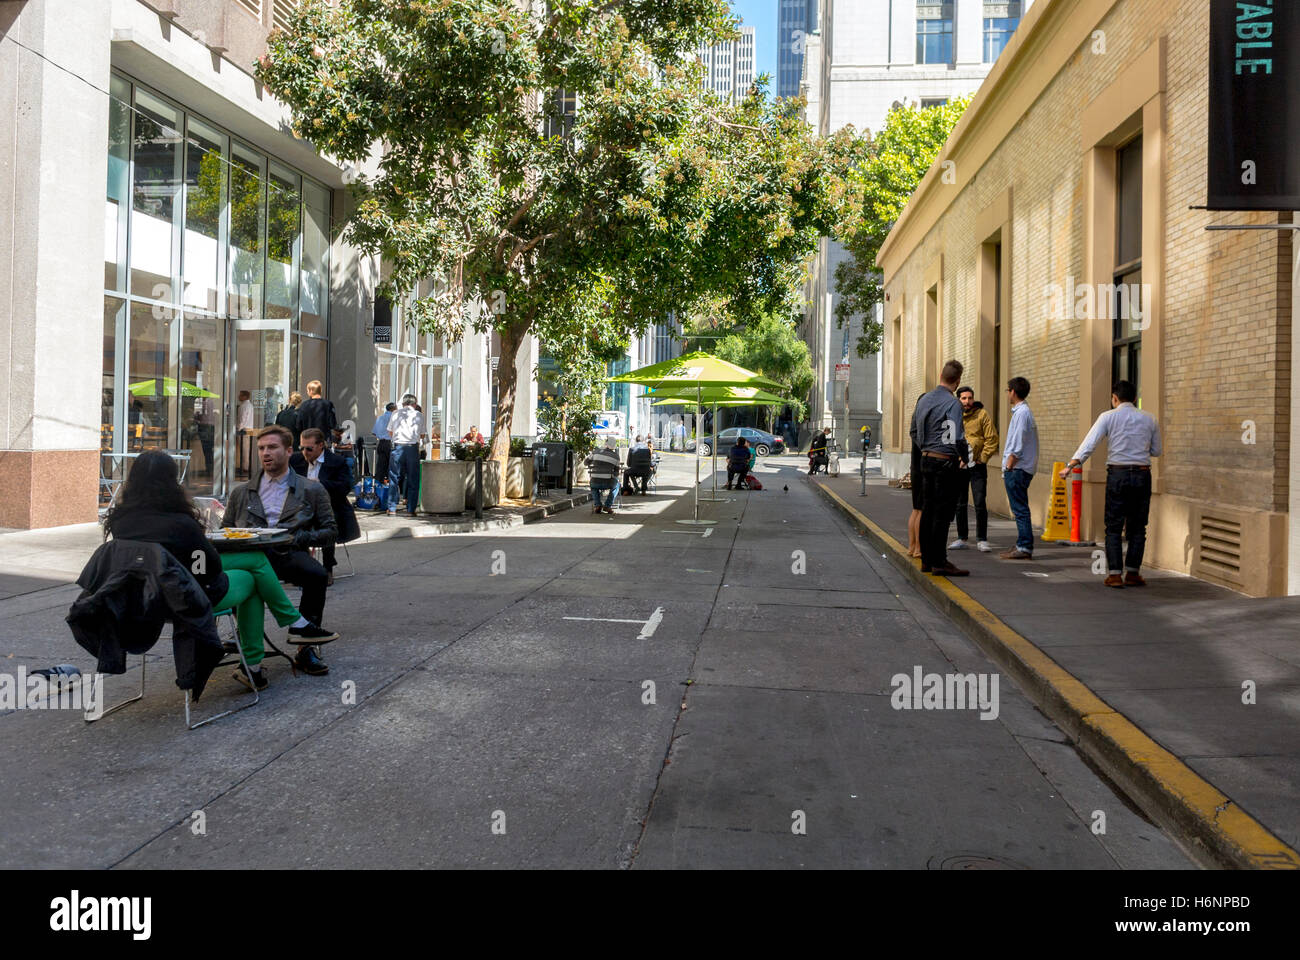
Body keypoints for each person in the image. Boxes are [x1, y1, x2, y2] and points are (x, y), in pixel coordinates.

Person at [103, 449, 337, 692]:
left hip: (142, 601)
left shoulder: (119, 521)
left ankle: (264, 658)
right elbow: (204, 567)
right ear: (171, 482)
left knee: (253, 565)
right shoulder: (180, 523)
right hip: (185, 599)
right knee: (253, 576)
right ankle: (264, 655)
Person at [221, 424, 339, 677]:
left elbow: (330, 532)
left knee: (316, 574)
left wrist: (296, 538)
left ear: (288, 451)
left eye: (272, 447)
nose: (266, 453)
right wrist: (239, 539)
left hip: (287, 552)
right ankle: (246, 638)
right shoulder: (241, 492)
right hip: (249, 556)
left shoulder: (312, 489)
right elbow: (225, 529)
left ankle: (305, 645)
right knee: (243, 575)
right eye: (261, 448)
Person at [1060, 379, 1162, 587]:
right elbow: (1156, 451)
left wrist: (1070, 466)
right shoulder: (1150, 419)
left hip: (1118, 474)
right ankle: (1133, 572)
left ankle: (1115, 573)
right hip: (1142, 475)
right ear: (1135, 398)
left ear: (1114, 399)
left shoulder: (1107, 417)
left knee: (1114, 526)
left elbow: (1089, 444)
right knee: (1138, 527)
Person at [911, 360, 971, 577]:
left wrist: (926, 448)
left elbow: (914, 431)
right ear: (957, 381)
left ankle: (927, 560)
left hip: (926, 460)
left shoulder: (924, 399)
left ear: (940, 375)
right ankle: (939, 561)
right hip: (945, 461)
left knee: (927, 510)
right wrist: (964, 457)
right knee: (943, 513)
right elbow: (956, 435)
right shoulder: (953, 403)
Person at [291, 427, 361, 586]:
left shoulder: (336, 461)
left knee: (327, 524)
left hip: (330, 505)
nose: (305, 452)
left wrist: (321, 484)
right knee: (290, 523)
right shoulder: (295, 460)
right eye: (302, 448)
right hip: (301, 506)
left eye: (309, 448)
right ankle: (301, 565)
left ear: (321, 445)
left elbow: (345, 486)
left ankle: (328, 568)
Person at [949, 387, 1000, 553]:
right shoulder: (954, 416)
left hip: (977, 466)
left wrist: (982, 458)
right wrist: (958, 459)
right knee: (960, 503)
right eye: (963, 398)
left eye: (970, 398)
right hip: (960, 466)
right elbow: (950, 440)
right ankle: (962, 538)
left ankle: (982, 539)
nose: (967, 401)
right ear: (958, 400)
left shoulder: (982, 414)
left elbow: (991, 439)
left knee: (979, 502)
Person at [1000, 376, 1039, 560]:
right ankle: (1022, 543)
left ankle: (1024, 546)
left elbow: (1017, 442)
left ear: (1013, 392)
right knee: (1020, 508)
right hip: (1019, 468)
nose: (1007, 394)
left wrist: (1009, 465)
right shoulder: (1022, 412)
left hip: (1018, 469)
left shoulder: (1022, 413)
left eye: (1008, 390)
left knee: (1020, 509)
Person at [387, 394, 426, 516]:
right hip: (412, 448)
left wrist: (397, 437)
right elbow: (423, 435)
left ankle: (392, 508)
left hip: (398, 447)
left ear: (403, 404)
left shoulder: (395, 414)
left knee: (394, 477)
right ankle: (411, 509)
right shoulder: (419, 415)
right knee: (413, 479)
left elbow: (389, 431)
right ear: (415, 404)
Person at [297, 380, 338, 448]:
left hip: (308, 441)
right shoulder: (328, 404)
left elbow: (298, 425)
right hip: (323, 441)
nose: (307, 392)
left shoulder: (304, 405)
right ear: (320, 390)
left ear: (311, 391)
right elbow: (332, 424)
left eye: (307, 390)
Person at [586, 438, 621, 514]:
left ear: (605, 444)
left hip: (594, 482)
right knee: (617, 485)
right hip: (608, 483)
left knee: (593, 487)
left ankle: (598, 505)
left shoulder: (595, 452)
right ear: (614, 446)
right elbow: (616, 473)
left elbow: (586, 462)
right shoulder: (616, 456)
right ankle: (607, 506)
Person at [371, 402, 397, 502]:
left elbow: (374, 432)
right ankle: (391, 493)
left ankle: (377, 490)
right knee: (391, 467)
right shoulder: (394, 418)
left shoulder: (380, 418)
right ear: (393, 409)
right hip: (390, 444)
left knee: (380, 467)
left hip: (381, 443)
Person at [236, 389, 255, 474]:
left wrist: (238, 429)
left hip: (244, 430)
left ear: (244, 396)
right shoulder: (249, 405)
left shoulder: (244, 406)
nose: (238, 397)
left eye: (240, 395)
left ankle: (245, 468)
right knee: (246, 450)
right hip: (248, 429)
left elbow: (243, 419)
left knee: (244, 450)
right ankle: (245, 467)